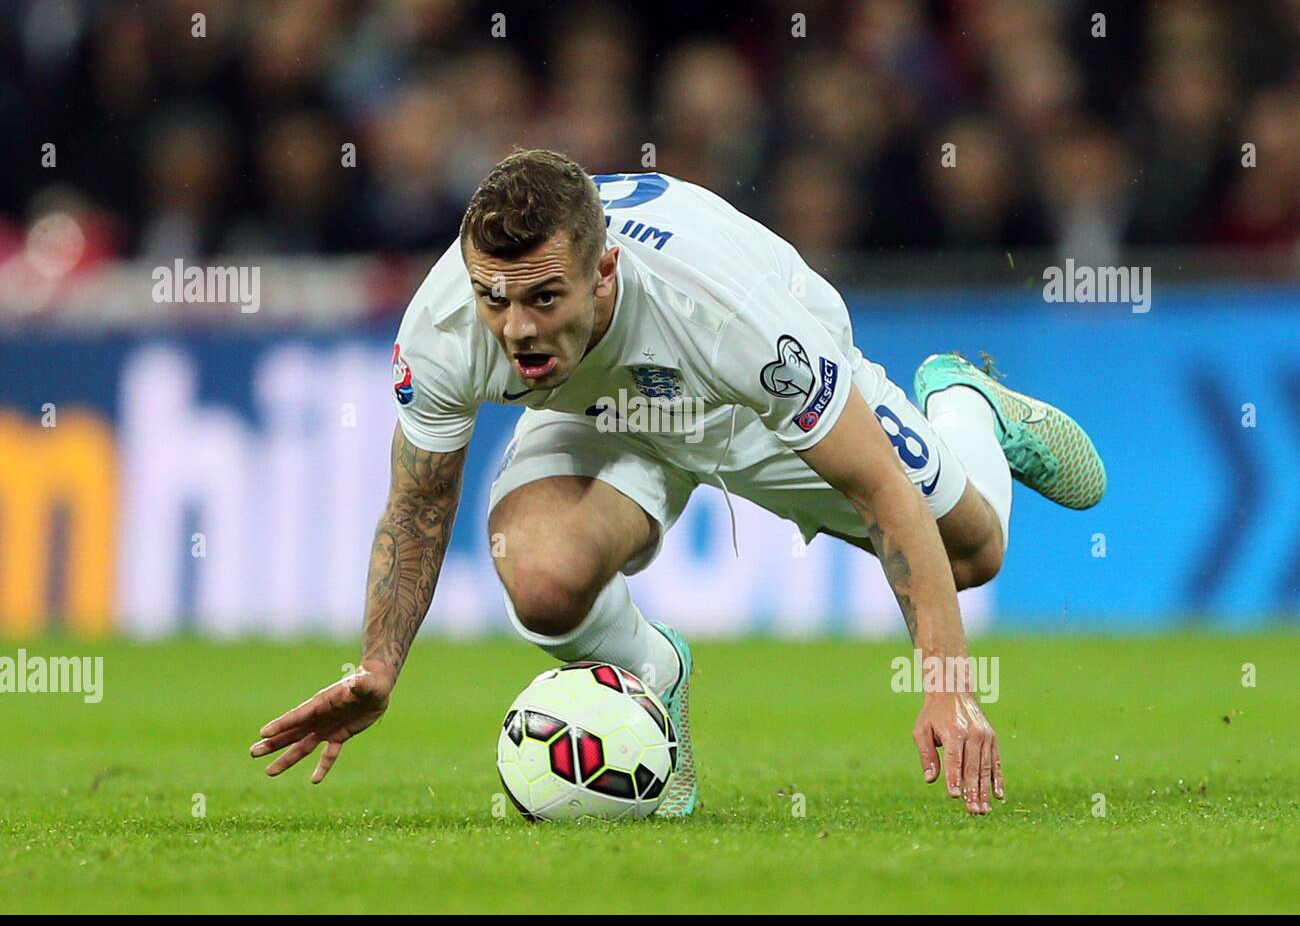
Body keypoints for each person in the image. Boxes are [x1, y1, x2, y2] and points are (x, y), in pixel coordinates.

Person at [251, 149, 1106, 816]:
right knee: (541, 581)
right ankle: (656, 680)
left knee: (972, 550)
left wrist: (948, 693)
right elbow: (419, 504)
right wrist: (377, 666)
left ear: (605, 273)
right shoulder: (447, 324)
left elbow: (884, 493)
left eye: (545, 298)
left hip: (735, 399)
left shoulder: (736, 321)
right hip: (595, 405)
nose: (516, 329)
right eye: (495, 300)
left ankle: (963, 402)